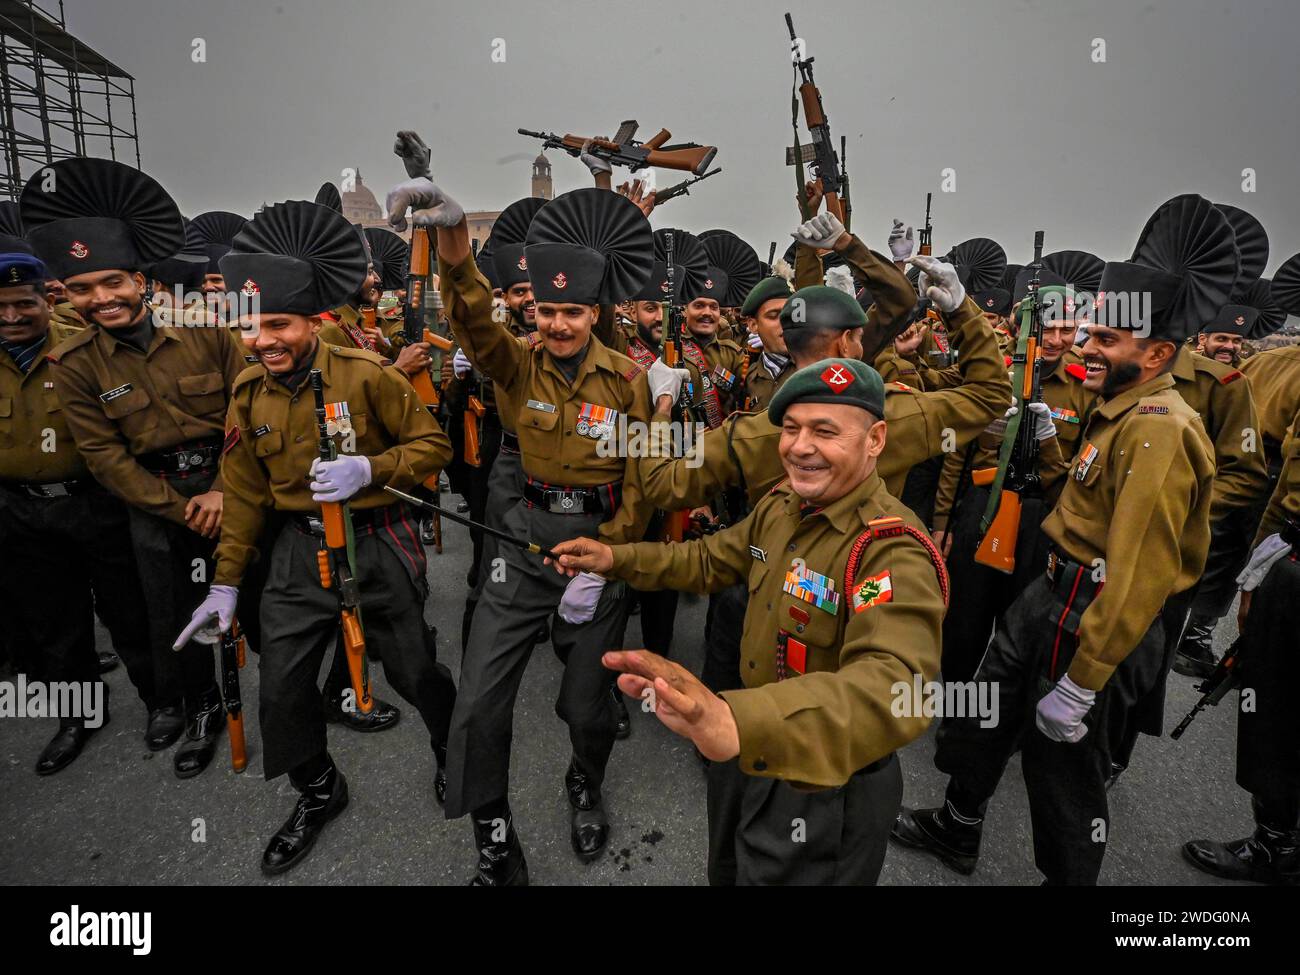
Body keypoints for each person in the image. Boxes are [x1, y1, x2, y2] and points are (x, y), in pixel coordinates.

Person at [893, 194, 1232, 884]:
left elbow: (1140, 575)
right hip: (1050, 593)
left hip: (1092, 613)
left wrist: (1083, 683)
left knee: (1065, 774)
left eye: (1107, 340)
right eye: (1090, 334)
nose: (1087, 347)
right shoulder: (1123, 409)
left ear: (1160, 351)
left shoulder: (1159, 429)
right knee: (987, 715)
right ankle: (958, 825)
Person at [547, 358, 948, 884]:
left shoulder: (887, 549)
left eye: (824, 431)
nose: (800, 447)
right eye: (790, 428)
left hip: (821, 786)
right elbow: (711, 559)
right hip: (750, 756)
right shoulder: (783, 503)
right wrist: (615, 558)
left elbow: (899, 687)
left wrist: (733, 721)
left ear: (875, 439)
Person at [174, 199, 457, 874]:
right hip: (299, 548)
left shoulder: (367, 374)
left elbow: (433, 443)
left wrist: (372, 467)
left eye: (278, 324)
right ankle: (318, 788)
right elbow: (241, 493)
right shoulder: (247, 392)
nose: (263, 340)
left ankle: (451, 748)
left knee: (413, 668)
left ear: (311, 320)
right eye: (251, 326)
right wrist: (225, 581)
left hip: (375, 536)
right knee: (282, 687)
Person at [387, 175, 656, 884]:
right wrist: (452, 240)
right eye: (546, 311)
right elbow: (474, 318)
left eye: (572, 311)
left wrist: (605, 562)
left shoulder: (631, 381)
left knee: (582, 703)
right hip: (524, 543)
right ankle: (497, 844)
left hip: (595, 546)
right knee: (477, 702)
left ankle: (585, 780)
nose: (558, 325)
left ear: (596, 312)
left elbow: (642, 486)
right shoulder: (514, 363)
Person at [27, 157, 244, 779]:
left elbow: (246, 413)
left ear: (141, 280)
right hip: (156, 502)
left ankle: (294, 702)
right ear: (64, 294)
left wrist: (226, 490)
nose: (101, 299)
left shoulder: (209, 332)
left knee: (262, 600)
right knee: (176, 609)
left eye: (112, 283)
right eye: (83, 289)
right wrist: (182, 508)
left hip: (239, 487)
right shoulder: (73, 364)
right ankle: (202, 711)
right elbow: (102, 454)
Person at [0, 251, 157, 774]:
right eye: (0, 307)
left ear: (48, 299)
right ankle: (77, 718)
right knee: (53, 623)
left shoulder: (88, 350)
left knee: (128, 610)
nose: (12, 317)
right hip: (20, 511)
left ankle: (162, 702)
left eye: (24, 304)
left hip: (97, 499)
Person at [1182, 404, 1300, 884]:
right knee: (1272, 712)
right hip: (1293, 567)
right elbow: (1283, 496)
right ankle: (1275, 844)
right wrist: (1255, 577)